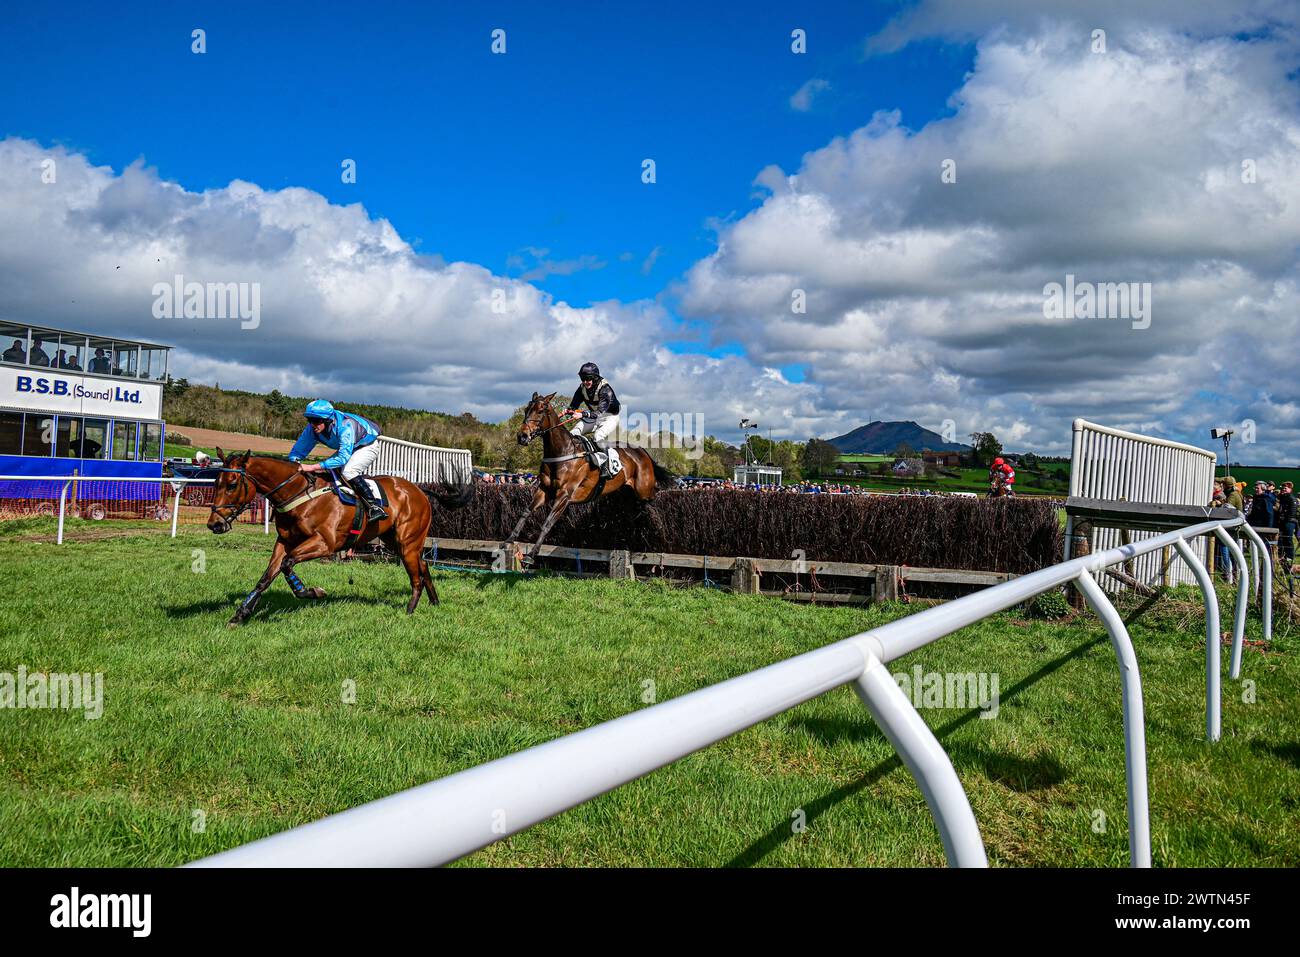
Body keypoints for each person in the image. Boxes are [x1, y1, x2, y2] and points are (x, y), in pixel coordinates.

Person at [287, 399, 387, 520]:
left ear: (328, 420)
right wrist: (293, 464)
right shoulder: (312, 429)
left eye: (316, 421)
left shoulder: (345, 425)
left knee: (348, 471)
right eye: (310, 420)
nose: (312, 424)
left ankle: (374, 506)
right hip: (349, 447)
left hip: (367, 446)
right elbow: (297, 452)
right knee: (325, 472)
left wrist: (311, 466)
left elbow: (342, 458)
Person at [563, 361, 621, 476]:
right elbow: (574, 405)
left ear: (594, 378)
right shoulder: (582, 388)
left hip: (610, 417)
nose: (585, 382)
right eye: (583, 379)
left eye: (588, 379)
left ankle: (605, 467)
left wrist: (582, 414)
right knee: (573, 433)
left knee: (597, 436)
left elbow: (599, 412)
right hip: (594, 416)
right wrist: (569, 410)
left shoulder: (605, 390)